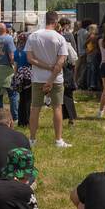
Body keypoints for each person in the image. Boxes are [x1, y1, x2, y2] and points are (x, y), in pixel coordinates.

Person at [26, 11, 71, 148]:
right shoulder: (59, 38)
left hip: (38, 78)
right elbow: (61, 62)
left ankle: (32, 140)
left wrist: (45, 67)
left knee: (35, 109)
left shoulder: (33, 36)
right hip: (56, 79)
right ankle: (58, 140)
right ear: (56, 22)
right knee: (57, 108)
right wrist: (50, 79)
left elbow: (30, 59)